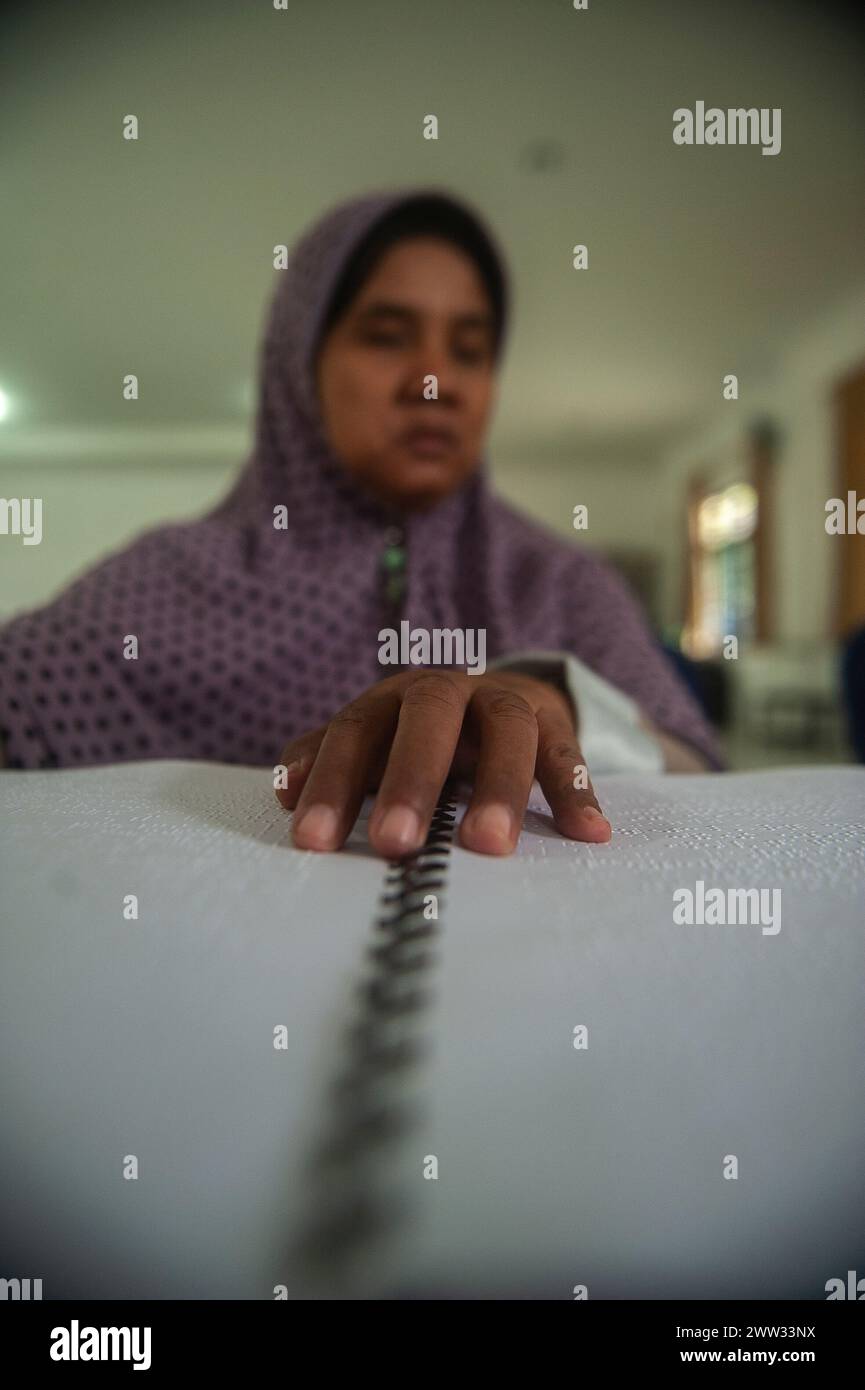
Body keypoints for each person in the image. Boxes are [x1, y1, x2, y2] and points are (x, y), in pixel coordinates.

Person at [0, 188, 722, 857]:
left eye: (468, 350)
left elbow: (699, 767)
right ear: (299, 367)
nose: (433, 383)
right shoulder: (170, 579)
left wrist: (558, 702)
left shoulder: (560, 582)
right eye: (386, 335)